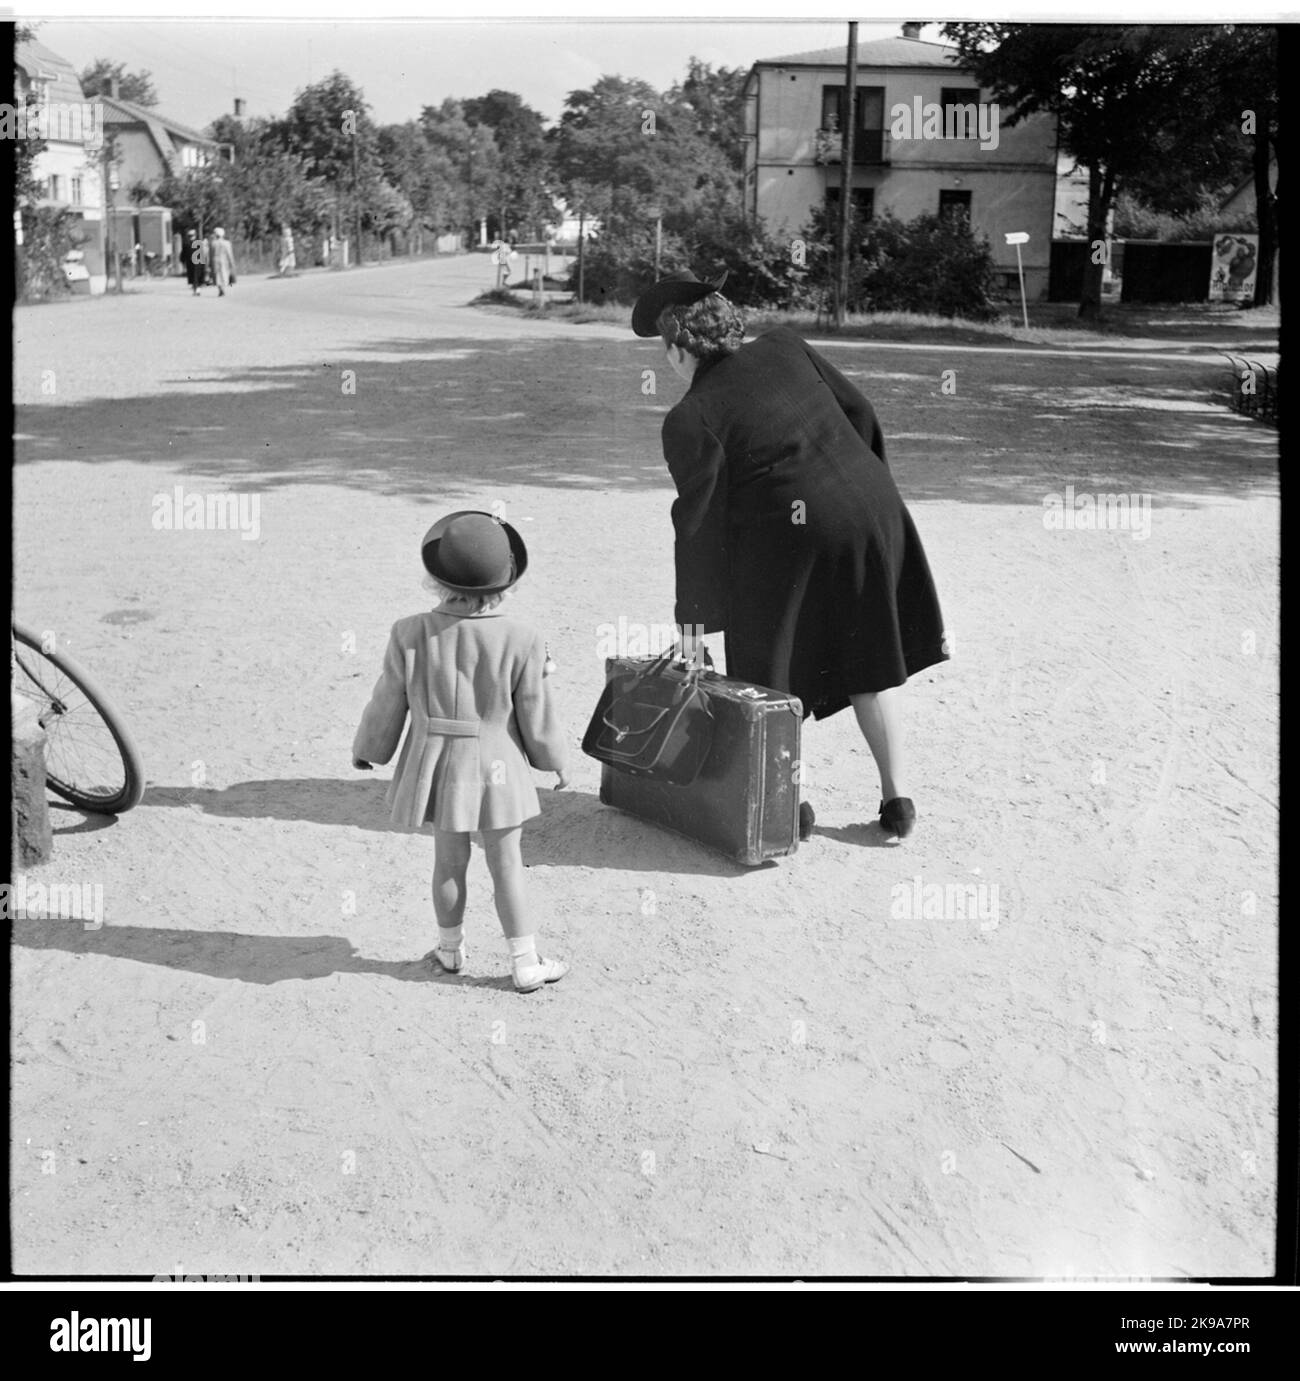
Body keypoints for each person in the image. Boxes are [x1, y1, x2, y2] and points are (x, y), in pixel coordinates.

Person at [631, 270, 949, 842]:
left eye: (665, 348)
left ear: (680, 348)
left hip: (797, 538)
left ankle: (788, 801)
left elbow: (698, 528)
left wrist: (694, 622)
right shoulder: (786, 346)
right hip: (873, 513)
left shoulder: (690, 417)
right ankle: (897, 800)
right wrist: (862, 483)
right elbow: (862, 411)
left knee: (766, 672)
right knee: (867, 663)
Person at [352, 511, 571, 992]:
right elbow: (535, 711)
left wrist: (370, 748)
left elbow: (390, 699)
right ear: (507, 580)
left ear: (436, 578)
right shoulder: (524, 637)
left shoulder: (408, 632)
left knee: (448, 862)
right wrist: (553, 761)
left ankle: (450, 949)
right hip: (496, 765)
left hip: (436, 765)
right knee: (506, 863)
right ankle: (525, 961)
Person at [209, 227, 236, 296]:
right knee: (224, 275)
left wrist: (209, 263)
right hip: (224, 261)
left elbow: (211, 254)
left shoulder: (213, 243)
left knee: (217, 276)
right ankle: (223, 289)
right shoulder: (227, 243)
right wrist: (232, 263)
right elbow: (229, 254)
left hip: (215, 261)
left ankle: (220, 289)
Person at [182, 229, 205, 295]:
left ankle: (196, 290)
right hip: (200, 262)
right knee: (199, 276)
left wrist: (182, 260)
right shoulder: (199, 242)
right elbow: (203, 252)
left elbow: (184, 253)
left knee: (193, 276)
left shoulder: (186, 243)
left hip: (191, 262)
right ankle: (198, 289)